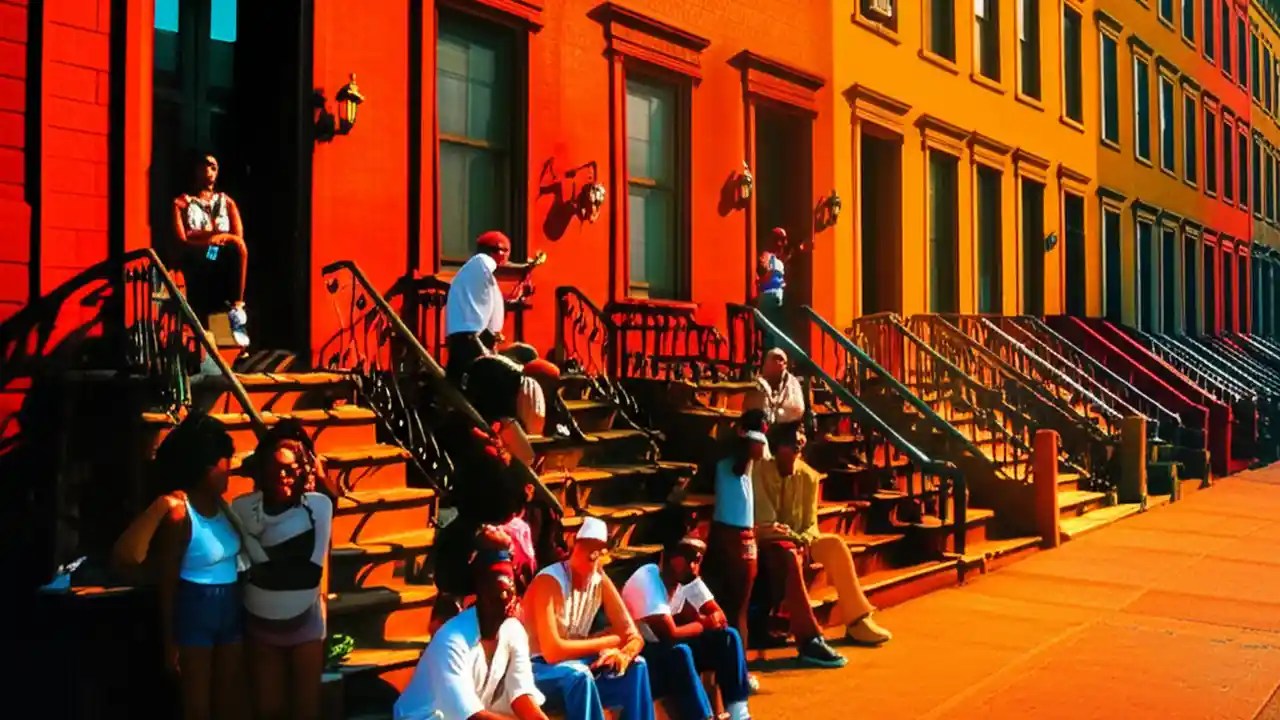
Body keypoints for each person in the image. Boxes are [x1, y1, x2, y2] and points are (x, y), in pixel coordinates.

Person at [148, 411, 249, 720]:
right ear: (206, 468)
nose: (229, 470)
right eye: (224, 462)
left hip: (230, 609)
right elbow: (167, 581)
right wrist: (170, 640)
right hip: (195, 611)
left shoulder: (224, 509)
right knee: (198, 707)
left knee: (227, 702)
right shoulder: (180, 513)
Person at [230, 425, 335, 720]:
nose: (282, 477)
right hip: (262, 625)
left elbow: (323, 564)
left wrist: (322, 613)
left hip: (307, 624)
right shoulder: (245, 510)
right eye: (274, 469)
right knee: (269, 709)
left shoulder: (317, 509)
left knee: (306, 709)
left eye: (289, 469)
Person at [754, 424, 892, 647]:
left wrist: (802, 540)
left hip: (800, 540)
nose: (795, 453)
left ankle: (858, 620)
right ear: (777, 448)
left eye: (799, 448)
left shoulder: (809, 476)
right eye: (790, 448)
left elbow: (810, 524)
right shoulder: (759, 471)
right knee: (785, 551)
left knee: (834, 545)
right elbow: (765, 521)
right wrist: (789, 539)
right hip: (768, 539)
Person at [395, 541, 548, 720]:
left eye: (510, 589)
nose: (505, 597)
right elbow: (471, 716)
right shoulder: (451, 641)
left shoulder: (514, 631)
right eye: (496, 590)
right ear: (478, 596)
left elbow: (521, 693)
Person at [524, 517, 654, 720]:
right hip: (536, 668)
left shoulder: (599, 579)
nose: (591, 559)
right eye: (587, 551)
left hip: (575, 662)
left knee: (637, 666)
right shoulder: (549, 581)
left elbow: (633, 636)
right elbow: (552, 651)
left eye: (597, 553)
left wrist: (623, 655)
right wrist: (609, 642)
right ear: (574, 546)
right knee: (579, 675)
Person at [621, 538, 751, 720]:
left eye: (697, 560)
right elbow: (669, 635)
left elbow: (720, 619)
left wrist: (706, 615)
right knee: (680, 652)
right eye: (687, 558)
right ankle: (702, 717)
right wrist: (703, 623)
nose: (693, 565)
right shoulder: (647, 579)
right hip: (645, 657)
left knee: (729, 637)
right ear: (669, 557)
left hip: (672, 652)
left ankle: (739, 713)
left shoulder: (688, 579)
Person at [173, 153, 250, 347]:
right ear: (196, 169)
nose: (210, 170)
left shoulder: (226, 202)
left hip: (223, 253)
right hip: (201, 254)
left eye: (214, 166)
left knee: (232, 254)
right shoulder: (184, 203)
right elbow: (181, 239)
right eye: (206, 165)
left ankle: (236, 309)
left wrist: (218, 238)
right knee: (211, 264)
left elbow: (238, 236)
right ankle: (218, 328)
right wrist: (208, 241)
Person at [445, 231, 540, 382]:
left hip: (471, 339)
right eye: (506, 253)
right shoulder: (482, 262)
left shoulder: (475, 271)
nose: (506, 259)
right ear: (499, 251)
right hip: (471, 341)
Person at [743, 348, 805, 428]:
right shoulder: (759, 385)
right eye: (776, 359)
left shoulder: (792, 383)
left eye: (781, 360)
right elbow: (750, 408)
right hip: (761, 428)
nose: (779, 362)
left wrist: (780, 414)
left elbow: (798, 408)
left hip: (786, 428)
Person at [755, 227, 788, 348]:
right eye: (780, 240)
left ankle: (770, 352)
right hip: (770, 295)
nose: (783, 244)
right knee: (769, 327)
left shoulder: (775, 259)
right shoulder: (768, 256)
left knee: (770, 328)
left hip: (772, 296)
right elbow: (764, 272)